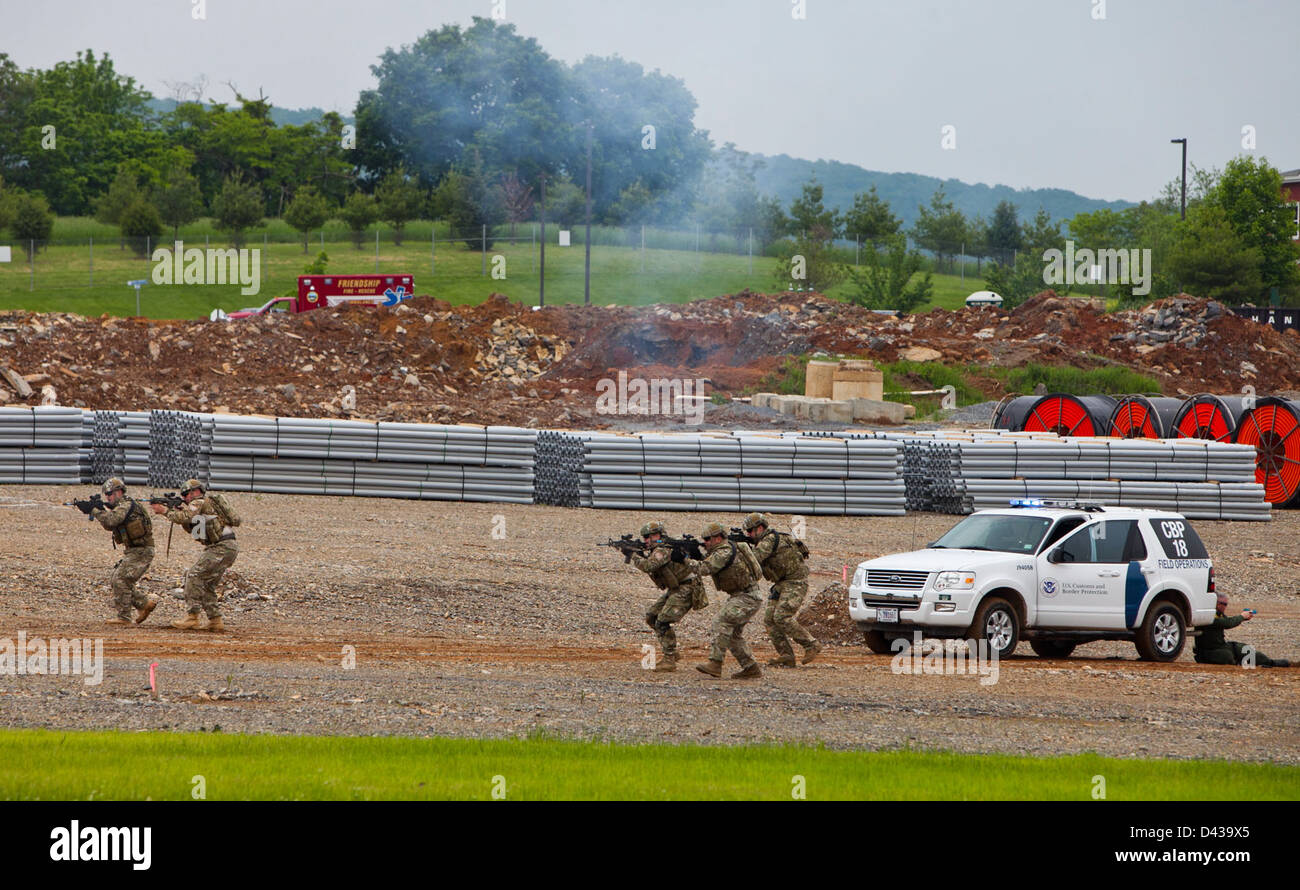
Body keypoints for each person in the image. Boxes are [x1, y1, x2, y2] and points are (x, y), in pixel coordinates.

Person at [150, 479, 240, 632]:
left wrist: (165, 511)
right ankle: (215, 620)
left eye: (186, 494)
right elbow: (196, 531)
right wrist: (177, 511)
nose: (185, 498)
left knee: (193, 575)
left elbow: (185, 517)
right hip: (226, 547)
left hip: (221, 547)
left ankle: (192, 617)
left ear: (195, 492)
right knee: (207, 583)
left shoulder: (198, 502)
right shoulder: (205, 505)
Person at [685, 522, 765, 680]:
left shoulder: (725, 551)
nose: (705, 542)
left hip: (747, 597)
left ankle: (715, 664)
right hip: (744, 596)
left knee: (721, 622)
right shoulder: (723, 550)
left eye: (708, 539)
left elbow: (704, 569)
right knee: (733, 634)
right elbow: (708, 562)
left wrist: (685, 560)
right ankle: (751, 668)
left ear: (717, 538)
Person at [744, 512, 821, 667]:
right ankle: (786, 656)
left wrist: (740, 549)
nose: (749, 534)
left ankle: (811, 644)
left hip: (795, 583)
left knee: (782, 616)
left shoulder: (769, 540)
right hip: (782, 583)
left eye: (751, 531)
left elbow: (754, 559)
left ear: (760, 528)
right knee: (770, 620)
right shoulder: (768, 539)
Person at [629, 521, 707, 673]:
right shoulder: (659, 549)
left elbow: (648, 566)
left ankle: (669, 659)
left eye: (648, 537)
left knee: (662, 620)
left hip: (687, 587)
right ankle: (670, 650)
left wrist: (633, 555)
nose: (646, 540)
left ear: (657, 535)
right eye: (644, 537)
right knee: (652, 617)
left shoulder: (663, 549)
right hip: (676, 588)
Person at [91, 477, 160, 625]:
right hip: (135, 550)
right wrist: (100, 510)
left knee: (120, 579)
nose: (108, 497)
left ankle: (124, 617)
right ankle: (144, 604)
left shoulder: (125, 504)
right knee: (118, 578)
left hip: (141, 550)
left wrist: (96, 511)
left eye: (110, 493)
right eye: (106, 495)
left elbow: (111, 521)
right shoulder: (121, 506)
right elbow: (109, 524)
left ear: (119, 492)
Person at [1193, 593, 1290, 667]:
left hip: (1221, 646)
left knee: (1244, 649)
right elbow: (1227, 623)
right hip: (1208, 651)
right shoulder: (1207, 616)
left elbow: (1227, 620)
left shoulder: (1218, 614)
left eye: (1226, 604)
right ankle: (1237, 663)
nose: (1225, 606)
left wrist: (1243, 617)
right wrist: (1242, 617)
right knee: (1226, 656)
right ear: (1216, 603)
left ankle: (1269, 662)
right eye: (1223, 604)